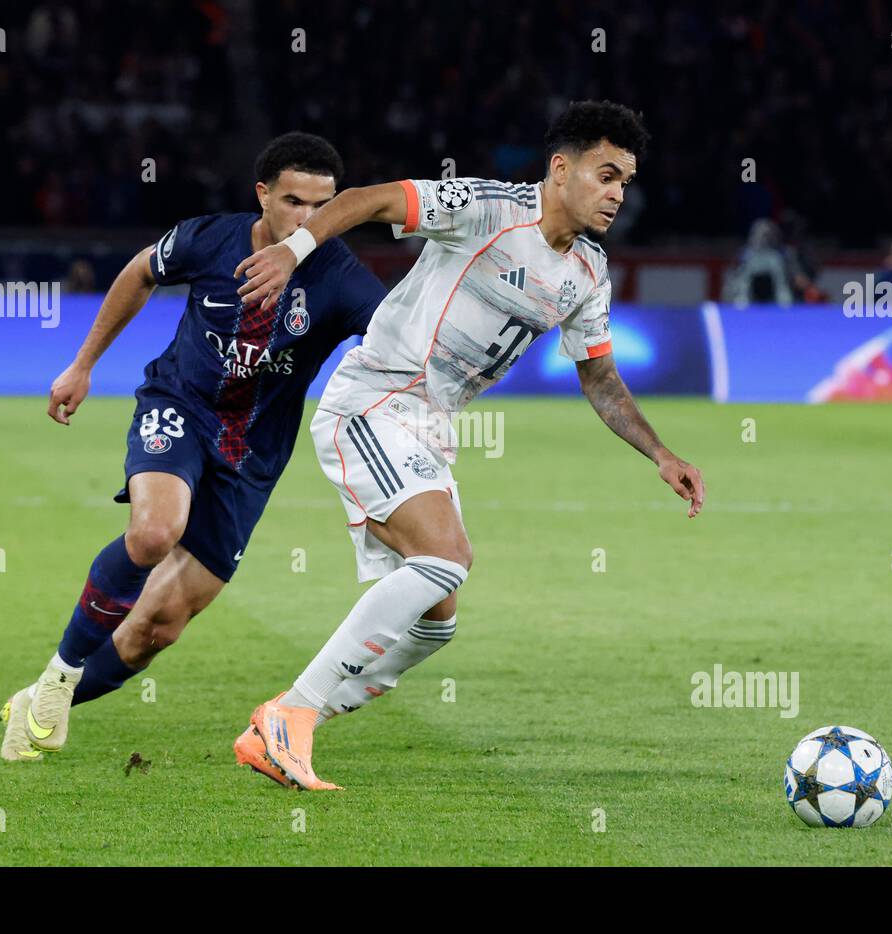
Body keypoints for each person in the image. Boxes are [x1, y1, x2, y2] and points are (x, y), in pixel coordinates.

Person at [229, 100, 706, 790]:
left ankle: (282, 724)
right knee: (446, 558)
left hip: (429, 425)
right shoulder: (484, 208)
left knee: (436, 621)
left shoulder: (588, 274)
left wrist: (662, 454)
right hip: (376, 397)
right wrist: (292, 249)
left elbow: (600, 378)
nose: (617, 194)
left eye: (626, 182)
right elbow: (366, 201)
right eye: (606, 175)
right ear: (561, 168)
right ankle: (291, 714)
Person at [0, 133, 388, 767]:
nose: (306, 220)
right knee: (154, 532)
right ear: (263, 196)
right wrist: (82, 365)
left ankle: (39, 700)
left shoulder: (342, 278)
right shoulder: (209, 238)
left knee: (158, 629)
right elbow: (139, 272)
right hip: (178, 409)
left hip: (252, 457)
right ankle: (62, 671)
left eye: (322, 206)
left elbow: (401, 347)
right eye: (292, 201)